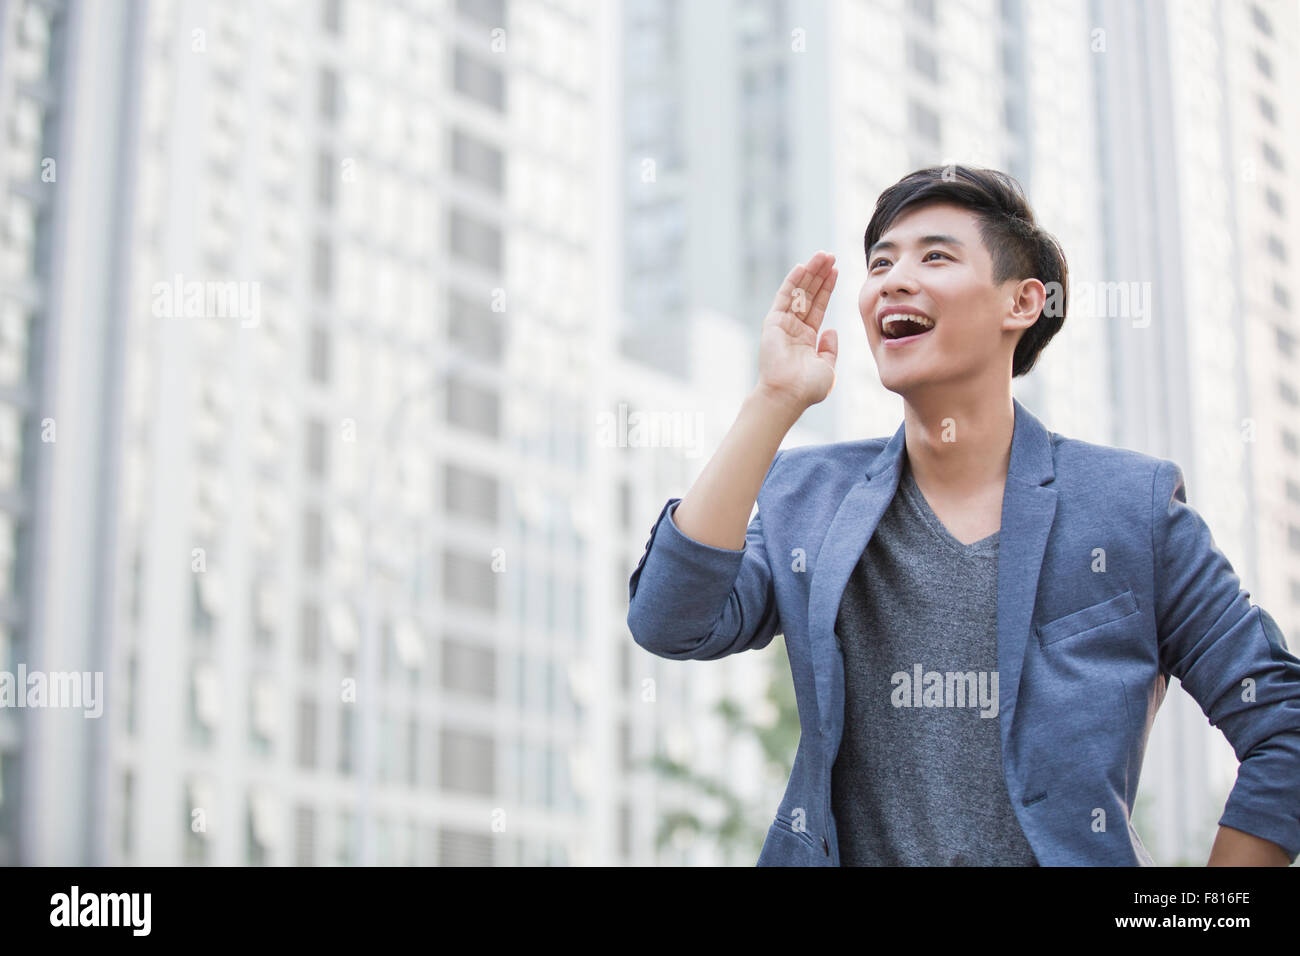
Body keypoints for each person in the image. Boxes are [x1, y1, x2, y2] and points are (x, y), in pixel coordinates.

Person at [625, 165, 1300, 866]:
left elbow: (1283, 725)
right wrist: (773, 401)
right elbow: (669, 621)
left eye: (935, 257)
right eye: (881, 263)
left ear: (1023, 302)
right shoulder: (810, 498)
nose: (894, 279)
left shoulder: (1132, 508)